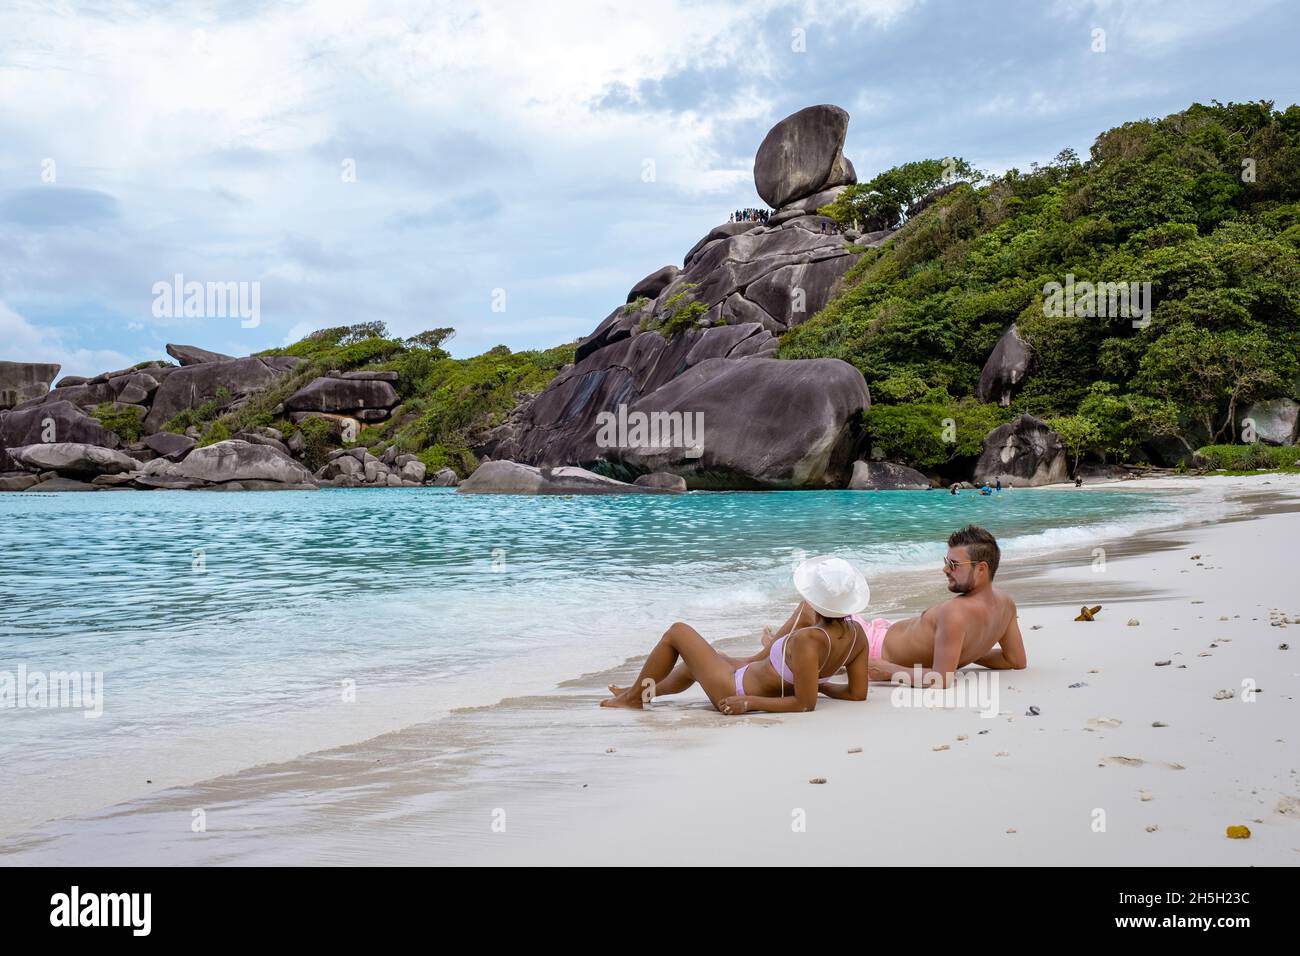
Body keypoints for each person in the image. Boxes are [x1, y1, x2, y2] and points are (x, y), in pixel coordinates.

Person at [651, 526, 1025, 695]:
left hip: (876, 649)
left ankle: (755, 659)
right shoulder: (1006, 604)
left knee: (811, 602)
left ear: (981, 569)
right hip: (880, 633)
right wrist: (967, 655)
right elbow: (1014, 661)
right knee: (815, 610)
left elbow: (942, 681)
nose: (945, 568)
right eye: (946, 560)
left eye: (953, 564)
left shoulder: (955, 613)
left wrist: (887, 670)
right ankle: (766, 652)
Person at [601, 556, 871, 715]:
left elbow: (804, 704)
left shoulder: (808, 640)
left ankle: (633, 698)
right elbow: (858, 694)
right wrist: (819, 684)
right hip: (748, 678)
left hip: (736, 690)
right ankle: (641, 691)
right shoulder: (858, 635)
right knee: (701, 663)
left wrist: (749, 702)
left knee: (677, 632)